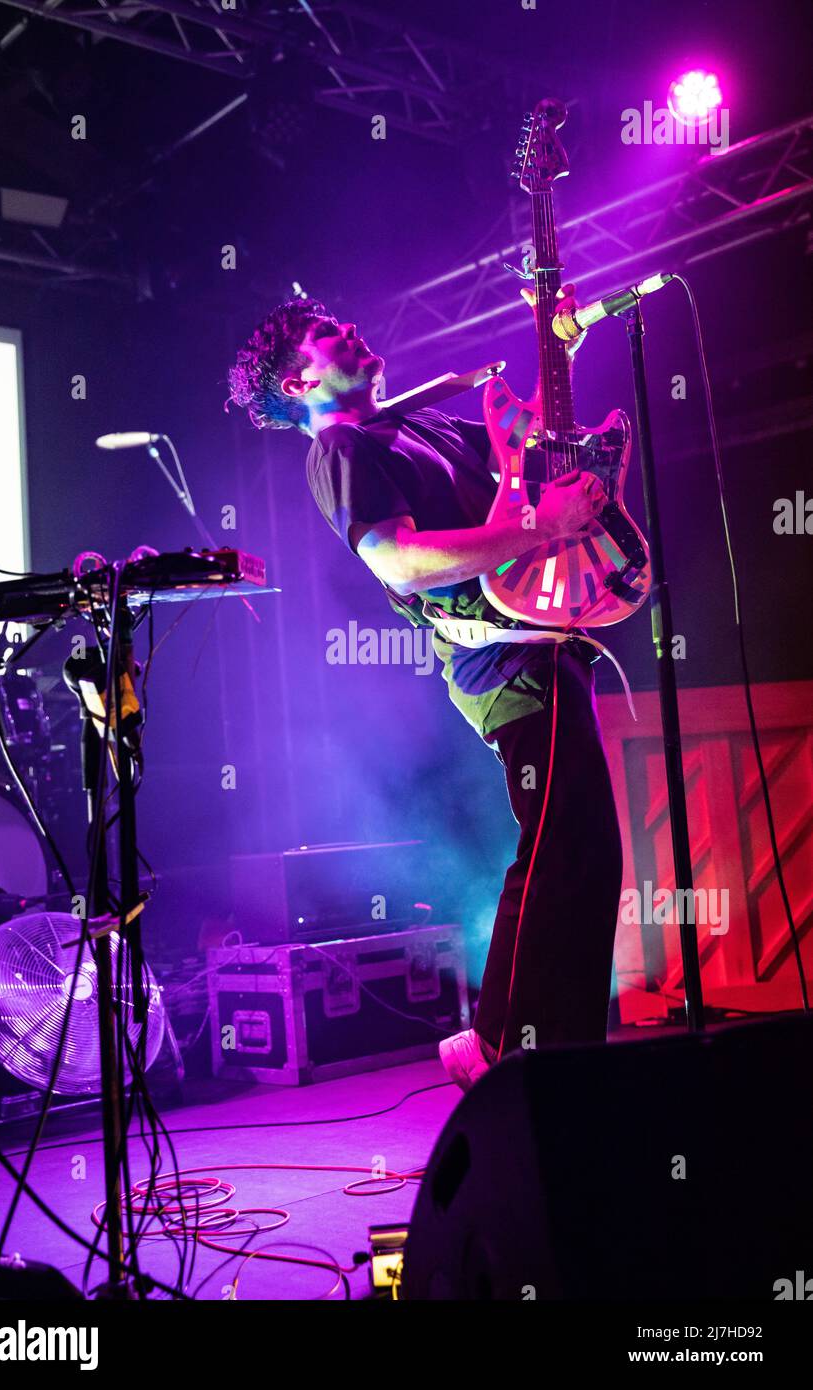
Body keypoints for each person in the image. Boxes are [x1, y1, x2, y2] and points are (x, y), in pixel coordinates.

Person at [227, 288, 623, 1091]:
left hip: (545, 640)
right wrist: (543, 531)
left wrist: (560, 350)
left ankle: (565, 1059)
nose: (350, 325)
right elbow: (398, 560)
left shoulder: (419, 423)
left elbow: (528, 464)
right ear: (299, 383)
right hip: (502, 660)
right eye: (324, 332)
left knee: (583, 850)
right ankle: (502, 1050)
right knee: (558, 846)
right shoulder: (340, 452)